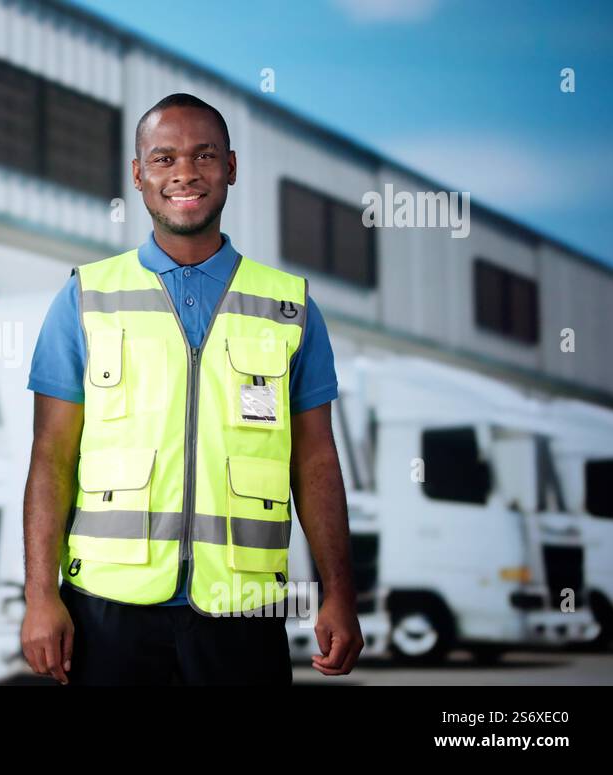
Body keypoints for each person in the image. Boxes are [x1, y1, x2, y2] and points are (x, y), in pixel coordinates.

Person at [19, 93, 363, 685]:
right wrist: (39, 596)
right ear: (137, 175)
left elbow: (316, 458)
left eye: (204, 156)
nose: (184, 173)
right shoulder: (84, 299)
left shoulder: (289, 307)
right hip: (108, 608)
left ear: (231, 167)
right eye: (163, 158)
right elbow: (51, 457)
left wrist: (340, 592)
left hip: (244, 609)